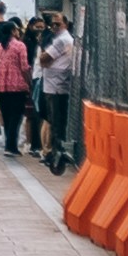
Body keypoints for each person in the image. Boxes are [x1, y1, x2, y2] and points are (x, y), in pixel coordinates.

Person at [37, 16, 80, 171]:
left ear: (66, 24)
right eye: (52, 24)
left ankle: (56, 154)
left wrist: (45, 60)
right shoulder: (62, 39)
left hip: (56, 87)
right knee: (55, 121)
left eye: (58, 24)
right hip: (55, 85)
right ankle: (56, 153)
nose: (54, 27)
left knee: (56, 122)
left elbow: (43, 59)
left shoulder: (62, 40)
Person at [0, 22, 32, 159]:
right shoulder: (20, 46)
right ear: (13, 31)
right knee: (16, 116)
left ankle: (9, 145)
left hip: (1, 85)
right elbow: (24, 66)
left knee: (7, 115)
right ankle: (11, 146)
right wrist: (29, 81)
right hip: (17, 86)